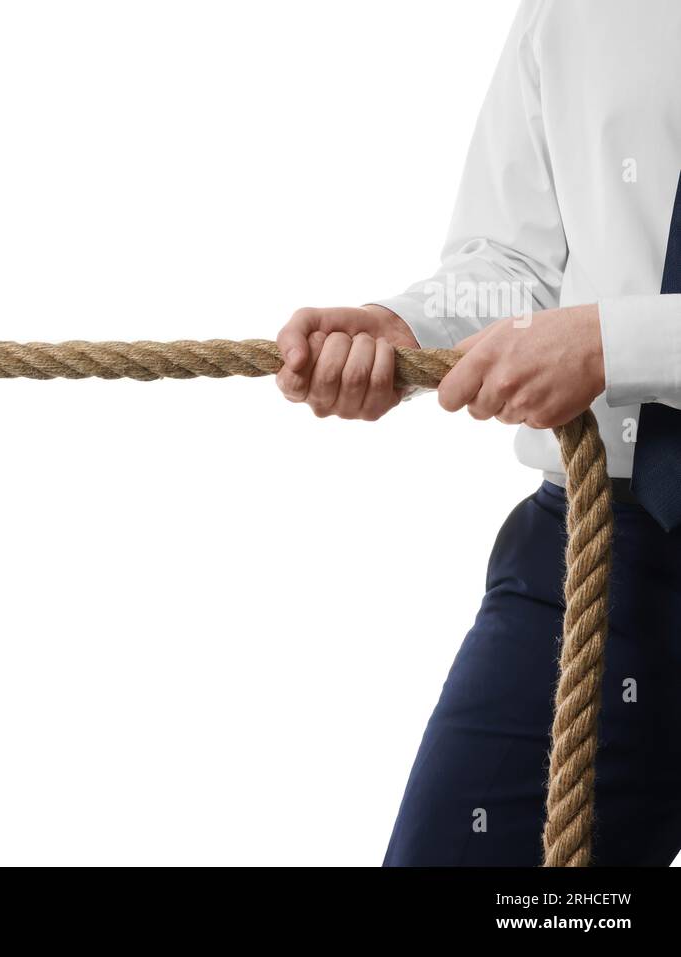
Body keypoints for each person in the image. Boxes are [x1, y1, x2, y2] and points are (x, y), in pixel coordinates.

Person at [274, 0, 681, 865]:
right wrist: (409, 328)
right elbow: (517, 261)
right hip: (602, 548)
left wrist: (618, 342)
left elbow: (596, 329)